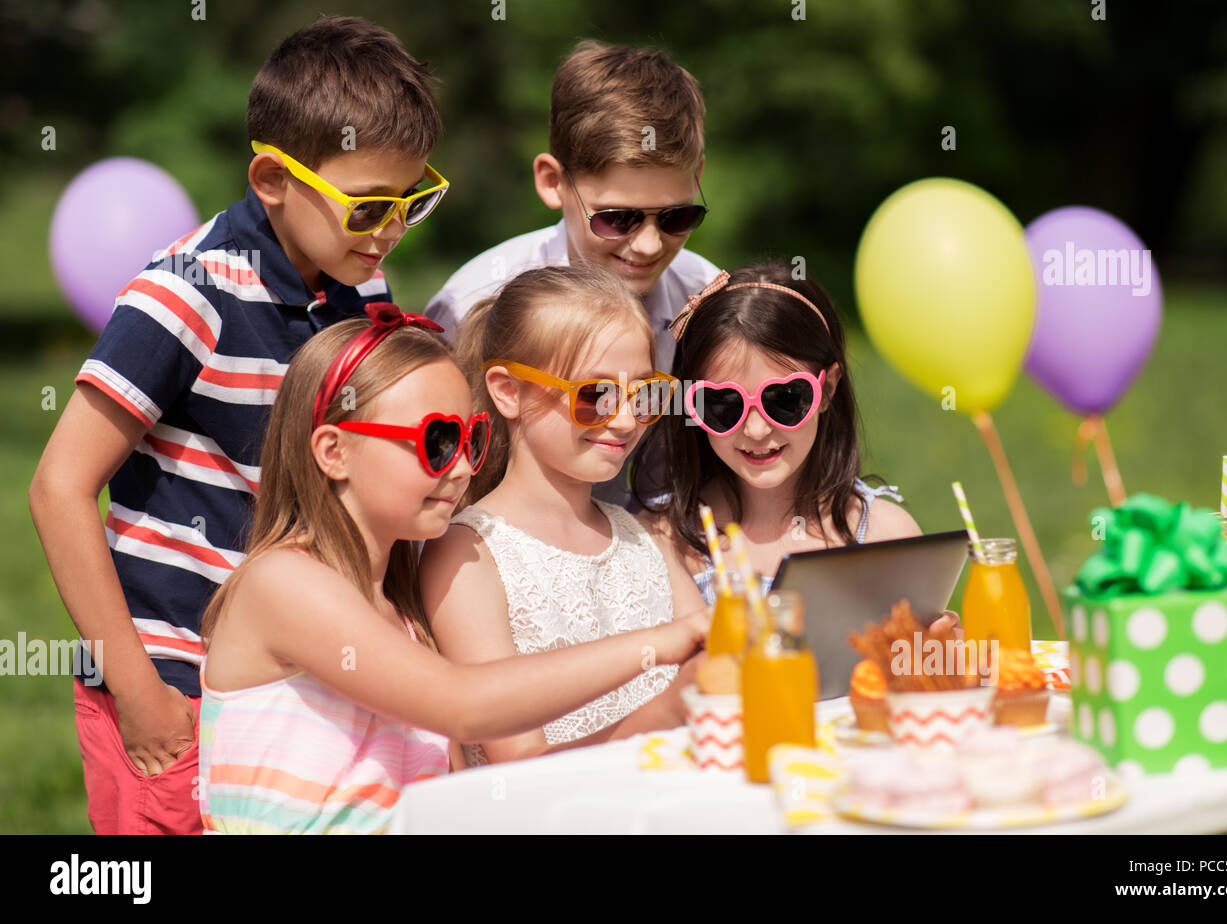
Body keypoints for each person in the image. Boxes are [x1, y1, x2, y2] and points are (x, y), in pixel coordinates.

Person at [28, 16, 449, 834]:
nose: (391, 230)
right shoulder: (185, 295)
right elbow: (58, 488)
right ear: (272, 178)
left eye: (413, 201)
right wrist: (137, 688)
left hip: (283, 686)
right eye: (368, 209)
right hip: (172, 687)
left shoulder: (355, 285)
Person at [198, 307, 705, 833]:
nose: (464, 466)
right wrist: (664, 645)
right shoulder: (283, 581)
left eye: (472, 440)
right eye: (438, 441)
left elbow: (466, 796)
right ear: (334, 451)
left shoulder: (405, 620)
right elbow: (463, 703)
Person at [421, 265, 708, 765]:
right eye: (594, 396)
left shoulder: (644, 541)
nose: (624, 420)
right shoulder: (467, 554)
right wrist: (668, 713)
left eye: (643, 394)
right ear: (509, 391)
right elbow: (519, 759)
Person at [633, 259, 956, 636]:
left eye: (784, 399)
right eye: (722, 405)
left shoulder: (885, 537)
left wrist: (934, 654)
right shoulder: (663, 539)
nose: (755, 429)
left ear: (829, 389)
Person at [425, 40, 718, 374]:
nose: (649, 244)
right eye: (619, 219)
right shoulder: (469, 306)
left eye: (676, 217)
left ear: (697, 180)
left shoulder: (710, 303)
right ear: (552, 182)